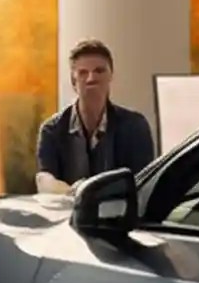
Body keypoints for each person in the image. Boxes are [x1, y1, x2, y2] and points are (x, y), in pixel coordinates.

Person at [35, 38, 156, 194]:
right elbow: (45, 180)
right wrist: (76, 193)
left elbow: (143, 182)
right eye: (83, 73)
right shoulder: (52, 129)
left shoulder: (134, 126)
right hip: (68, 215)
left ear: (110, 76)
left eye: (99, 71)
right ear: (73, 81)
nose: (91, 78)